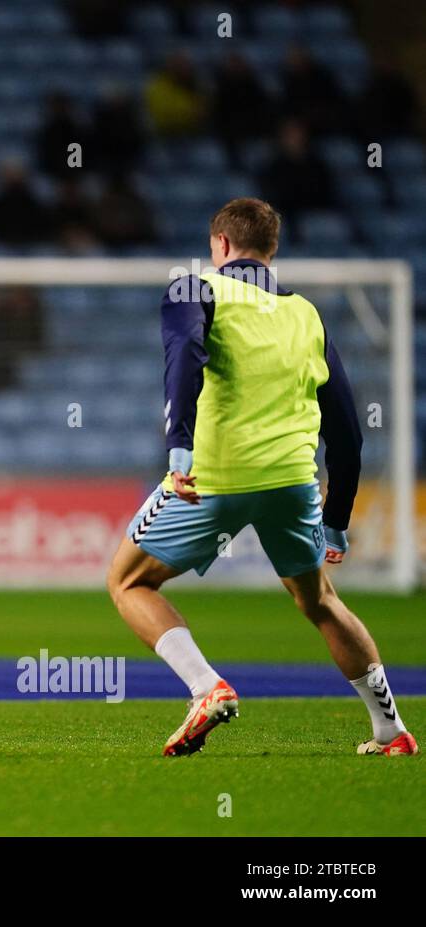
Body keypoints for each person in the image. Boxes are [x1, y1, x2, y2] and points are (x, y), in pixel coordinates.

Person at [106, 197, 417, 758]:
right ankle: (391, 730)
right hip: (294, 483)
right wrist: (337, 520)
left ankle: (207, 687)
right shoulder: (308, 316)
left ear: (220, 245)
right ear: (272, 251)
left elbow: (183, 357)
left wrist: (178, 450)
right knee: (320, 600)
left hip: (214, 477)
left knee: (127, 581)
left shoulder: (193, 289)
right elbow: (347, 432)